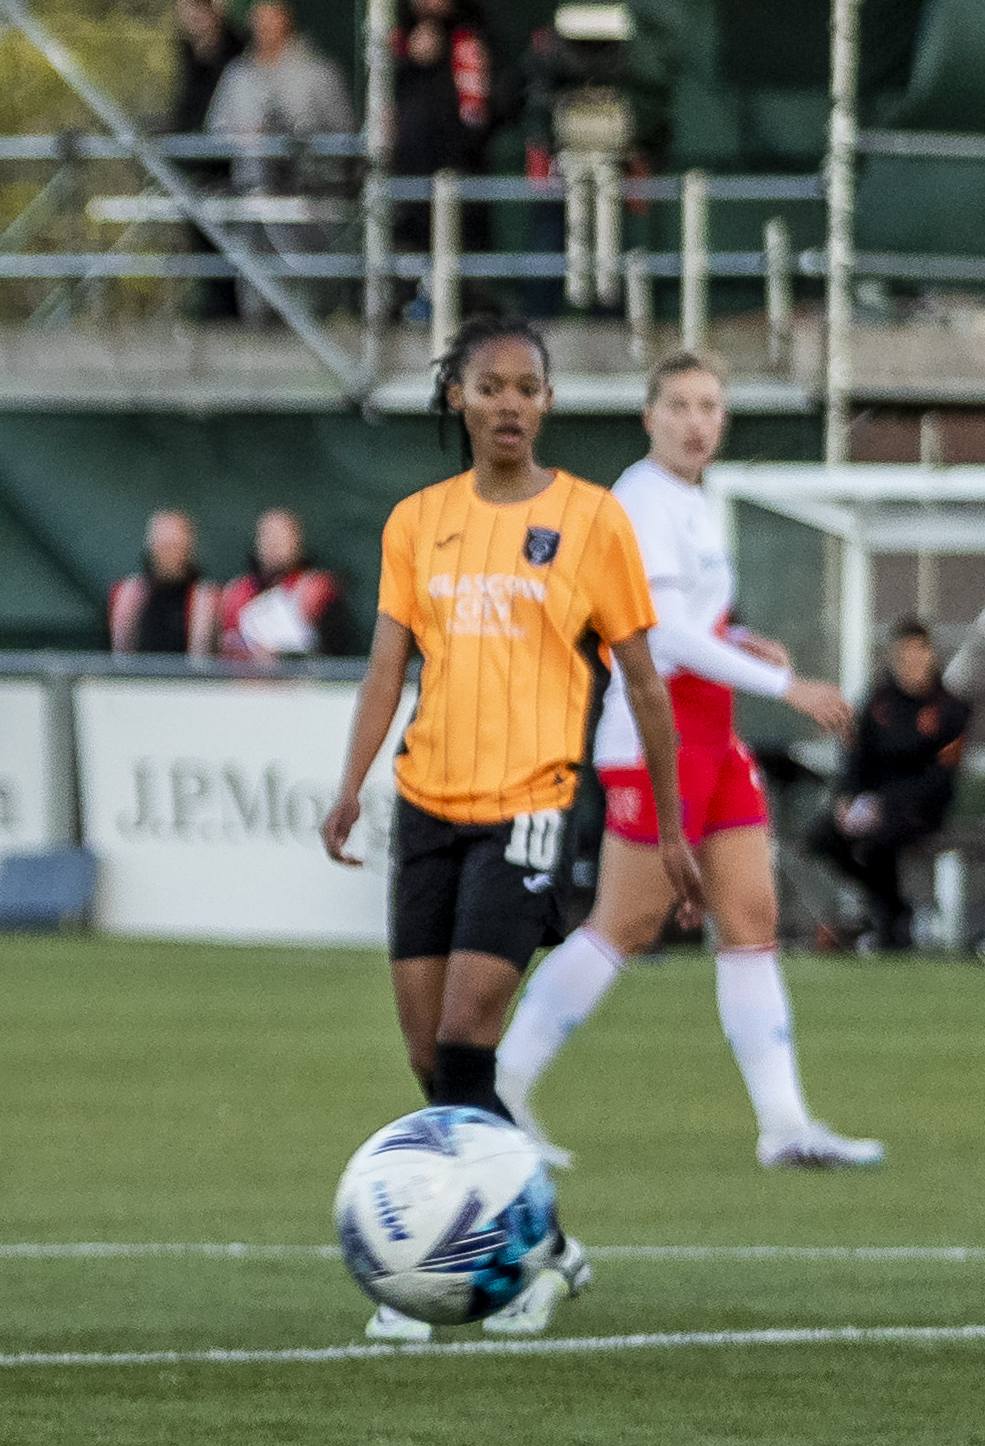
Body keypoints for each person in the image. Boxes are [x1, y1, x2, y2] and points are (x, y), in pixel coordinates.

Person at [320, 313, 701, 1343]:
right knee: (432, 1064)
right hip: (427, 805)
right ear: (458, 397)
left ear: (547, 404)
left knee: (462, 1041)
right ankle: (544, 1247)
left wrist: (669, 828)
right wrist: (352, 785)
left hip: (530, 806)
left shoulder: (590, 520)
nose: (508, 404)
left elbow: (645, 686)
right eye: (489, 386)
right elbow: (387, 669)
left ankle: (474, 1266)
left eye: (526, 388)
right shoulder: (417, 521)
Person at [490, 352, 883, 1167]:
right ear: (650, 416)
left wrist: (738, 638)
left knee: (752, 916)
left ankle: (785, 1126)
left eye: (710, 405)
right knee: (625, 922)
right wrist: (784, 683)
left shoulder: (692, 501)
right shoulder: (640, 499)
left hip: (711, 731)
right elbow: (659, 633)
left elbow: (687, 618)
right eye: (680, 405)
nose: (697, 422)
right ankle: (499, 1093)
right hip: (653, 734)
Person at [807, 618, 971, 955]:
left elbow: (942, 776)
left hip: (921, 808)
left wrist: (887, 802)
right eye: (902, 655)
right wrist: (847, 797)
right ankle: (891, 906)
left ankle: (889, 918)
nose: (909, 663)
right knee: (823, 838)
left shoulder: (951, 710)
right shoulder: (878, 702)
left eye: (916, 654)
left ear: (929, 655)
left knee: (879, 841)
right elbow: (859, 759)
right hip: (872, 802)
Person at [206, 0, 355, 315]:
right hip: (254, 193)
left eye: (272, 23)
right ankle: (257, 322)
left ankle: (311, 322)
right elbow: (216, 128)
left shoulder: (318, 73)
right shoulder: (239, 75)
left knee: (305, 278)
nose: (265, 30)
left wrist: (303, 137)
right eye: (259, 24)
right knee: (256, 275)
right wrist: (244, 135)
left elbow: (343, 129)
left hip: (307, 196)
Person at [389, 0, 495, 292]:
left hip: (460, 168)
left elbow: (484, 108)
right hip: (409, 170)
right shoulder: (399, 39)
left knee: (461, 259)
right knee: (409, 256)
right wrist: (411, 60)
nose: (427, 0)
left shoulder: (469, 37)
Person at [168, 0, 248, 324]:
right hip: (196, 162)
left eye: (197, 13)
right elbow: (186, 106)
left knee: (234, 240)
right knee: (203, 239)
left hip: (230, 164)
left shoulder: (237, 54)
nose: (193, 22)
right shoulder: (188, 56)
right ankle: (216, 312)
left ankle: (236, 313)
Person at [218, 508, 354, 661]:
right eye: (267, 535)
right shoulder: (237, 591)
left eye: (282, 536)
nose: (274, 543)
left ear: (297, 542)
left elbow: (333, 650)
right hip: (248, 673)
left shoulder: (316, 587)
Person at [107, 508, 217, 658]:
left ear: (188, 549)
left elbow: (207, 657)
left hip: (188, 672)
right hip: (139, 671)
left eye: (175, 546)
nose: (169, 555)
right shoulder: (129, 594)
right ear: (151, 548)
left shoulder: (205, 597)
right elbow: (119, 656)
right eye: (163, 546)